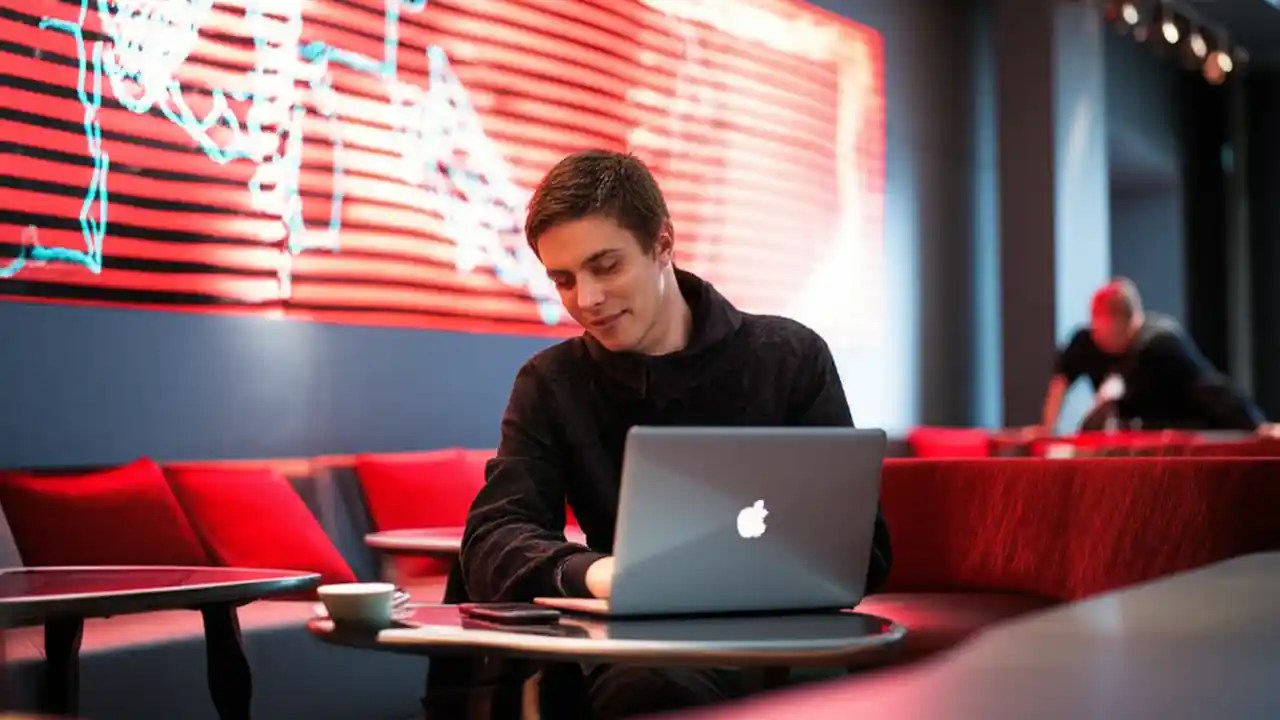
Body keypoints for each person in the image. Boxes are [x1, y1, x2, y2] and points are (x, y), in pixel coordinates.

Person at [443, 150, 892, 719]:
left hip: (789, 640)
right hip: (642, 653)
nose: (587, 300)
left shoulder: (789, 358)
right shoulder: (550, 382)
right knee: (648, 690)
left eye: (606, 266)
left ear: (662, 243)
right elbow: (494, 535)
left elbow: (865, 551)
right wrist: (600, 572)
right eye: (564, 280)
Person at [1037, 278, 1268, 434]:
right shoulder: (1084, 342)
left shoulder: (1162, 344)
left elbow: (1212, 390)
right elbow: (1060, 383)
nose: (1101, 341)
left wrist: (1256, 427)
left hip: (1186, 424)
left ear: (1131, 324)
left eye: (1109, 334)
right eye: (1097, 330)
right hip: (1135, 427)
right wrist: (1047, 430)